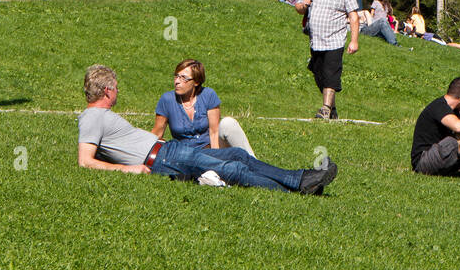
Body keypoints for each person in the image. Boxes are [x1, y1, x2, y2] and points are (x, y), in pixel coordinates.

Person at [78, 65, 337, 194]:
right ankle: (300, 183)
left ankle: (302, 182)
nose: (118, 92)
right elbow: (85, 162)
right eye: (116, 88)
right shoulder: (92, 117)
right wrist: (129, 168)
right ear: (108, 90)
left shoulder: (100, 117)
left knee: (240, 156)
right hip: (162, 159)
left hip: (169, 150)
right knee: (233, 170)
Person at [294, 0, 359, 121]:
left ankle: (325, 109)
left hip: (335, 40)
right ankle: (332, 109)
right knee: (319, 75)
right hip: (316, 41)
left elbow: (354, 17)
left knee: (331, 74)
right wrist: (303, 5)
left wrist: (354, 40)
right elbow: (298, 9)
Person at [152, 58, 254, 155]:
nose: (177, 81)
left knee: (228, 123)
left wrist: (215, 160)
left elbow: (214, 132)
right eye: (176, 76)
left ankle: (255, 164)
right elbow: (156, 135)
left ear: (196, 82)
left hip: (210, 150)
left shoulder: (208, 95)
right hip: (184, 155)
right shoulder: (167, 100)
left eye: (183, 78)